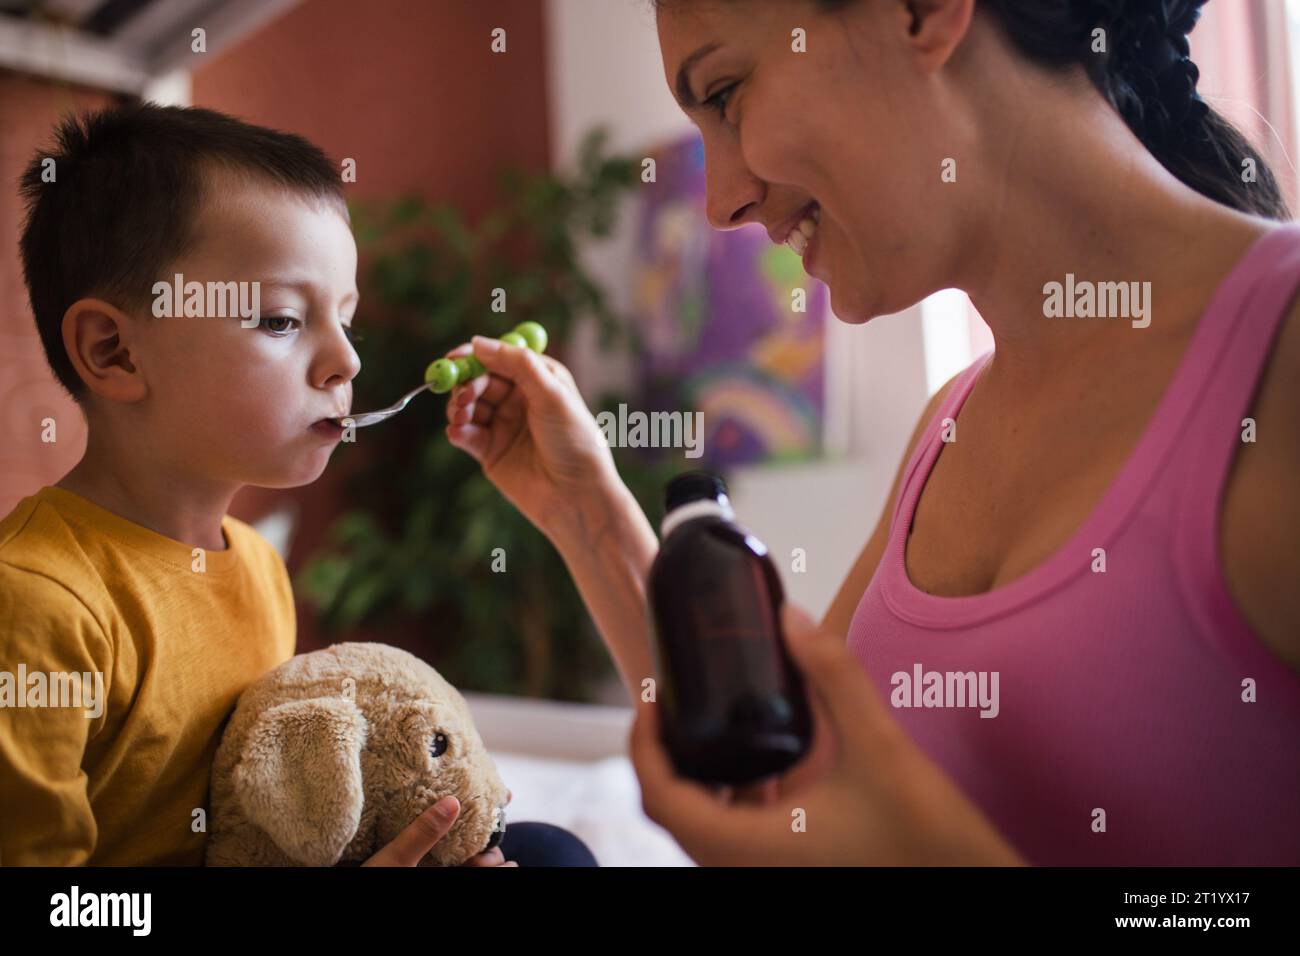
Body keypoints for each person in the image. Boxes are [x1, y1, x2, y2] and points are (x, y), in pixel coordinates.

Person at [442, 0, 1300, 865]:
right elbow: (773, 781)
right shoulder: (948, 427)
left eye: (727, 93)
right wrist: (585, 511)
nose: (722, 200)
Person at [0, 103, 594, 867]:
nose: (347, 361)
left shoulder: (255, 564)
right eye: (282, 321)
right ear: (113, 351)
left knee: (546, 852)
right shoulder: (36, 603)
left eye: (347, 321)